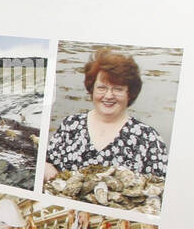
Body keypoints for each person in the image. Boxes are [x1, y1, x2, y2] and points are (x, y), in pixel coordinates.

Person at [44, 49, 168, 182]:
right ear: (92, 89)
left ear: (130, 93)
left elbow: (159, 187)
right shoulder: (70, 125)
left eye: (118, 89)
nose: (108, 95)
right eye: (102, 88)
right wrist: (47, 170)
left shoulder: (148, 138)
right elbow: (47, 163)